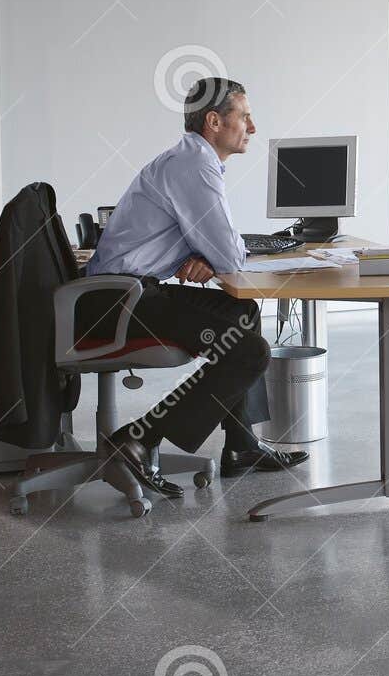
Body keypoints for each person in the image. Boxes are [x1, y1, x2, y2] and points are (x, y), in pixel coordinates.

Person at [84, 77, 308, 497]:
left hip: (128, 291)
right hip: (118, 300)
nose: (252, 128)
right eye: (244, 116)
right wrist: (215, 255)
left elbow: (219, 251)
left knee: (243, 313)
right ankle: (138, 436)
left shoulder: (190, 161)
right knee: (249, 350)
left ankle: (240, 444)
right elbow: (231, 255)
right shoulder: (194, 166)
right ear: (214, 121)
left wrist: (208, 255)